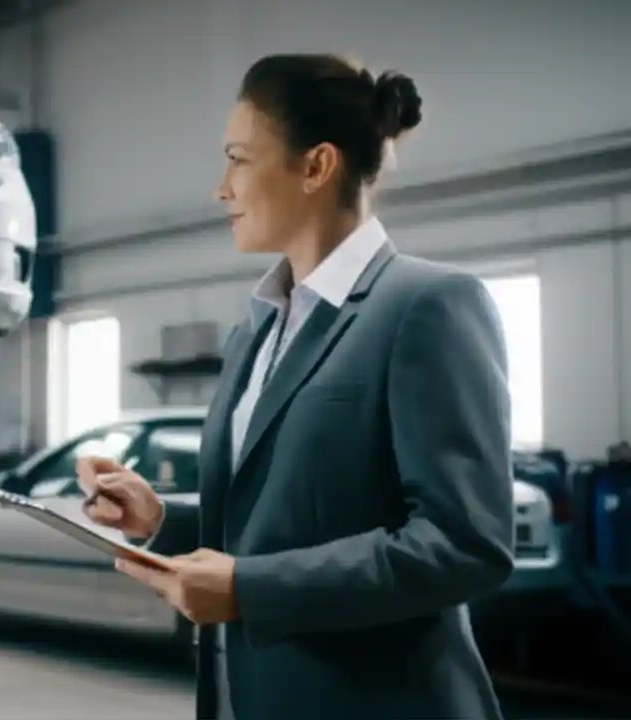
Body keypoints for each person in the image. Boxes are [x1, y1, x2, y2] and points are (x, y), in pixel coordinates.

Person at [78, 53, 515, 720]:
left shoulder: (428, 306)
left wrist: (250, 589)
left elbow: (464, 545)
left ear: (315, 166)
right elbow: (281, 520)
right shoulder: (258, 328)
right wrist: (160, 516)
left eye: (238, 158)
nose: (221, 189)